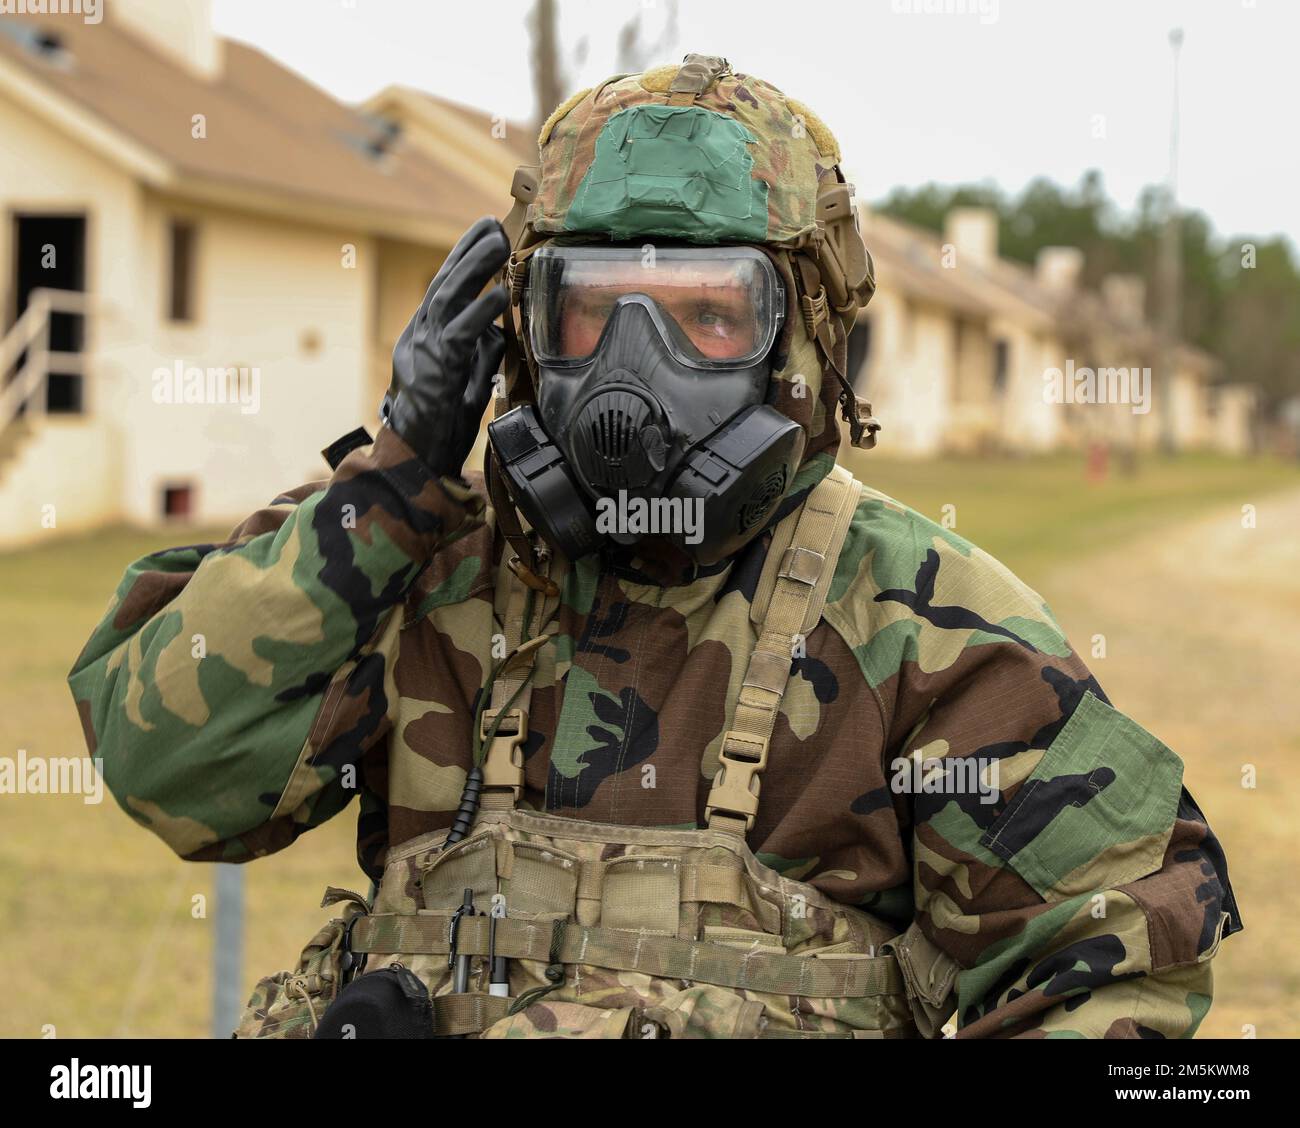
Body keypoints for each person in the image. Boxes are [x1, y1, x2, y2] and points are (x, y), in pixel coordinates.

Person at [68, 55, 1239, 1039]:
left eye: (706, 318)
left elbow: (1116, 961)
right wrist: (397, 474)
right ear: (520, 331)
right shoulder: (426, 569)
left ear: (802, 342)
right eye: (593, 314)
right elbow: (168, 772)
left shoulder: (920, 623)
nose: (635, 376)